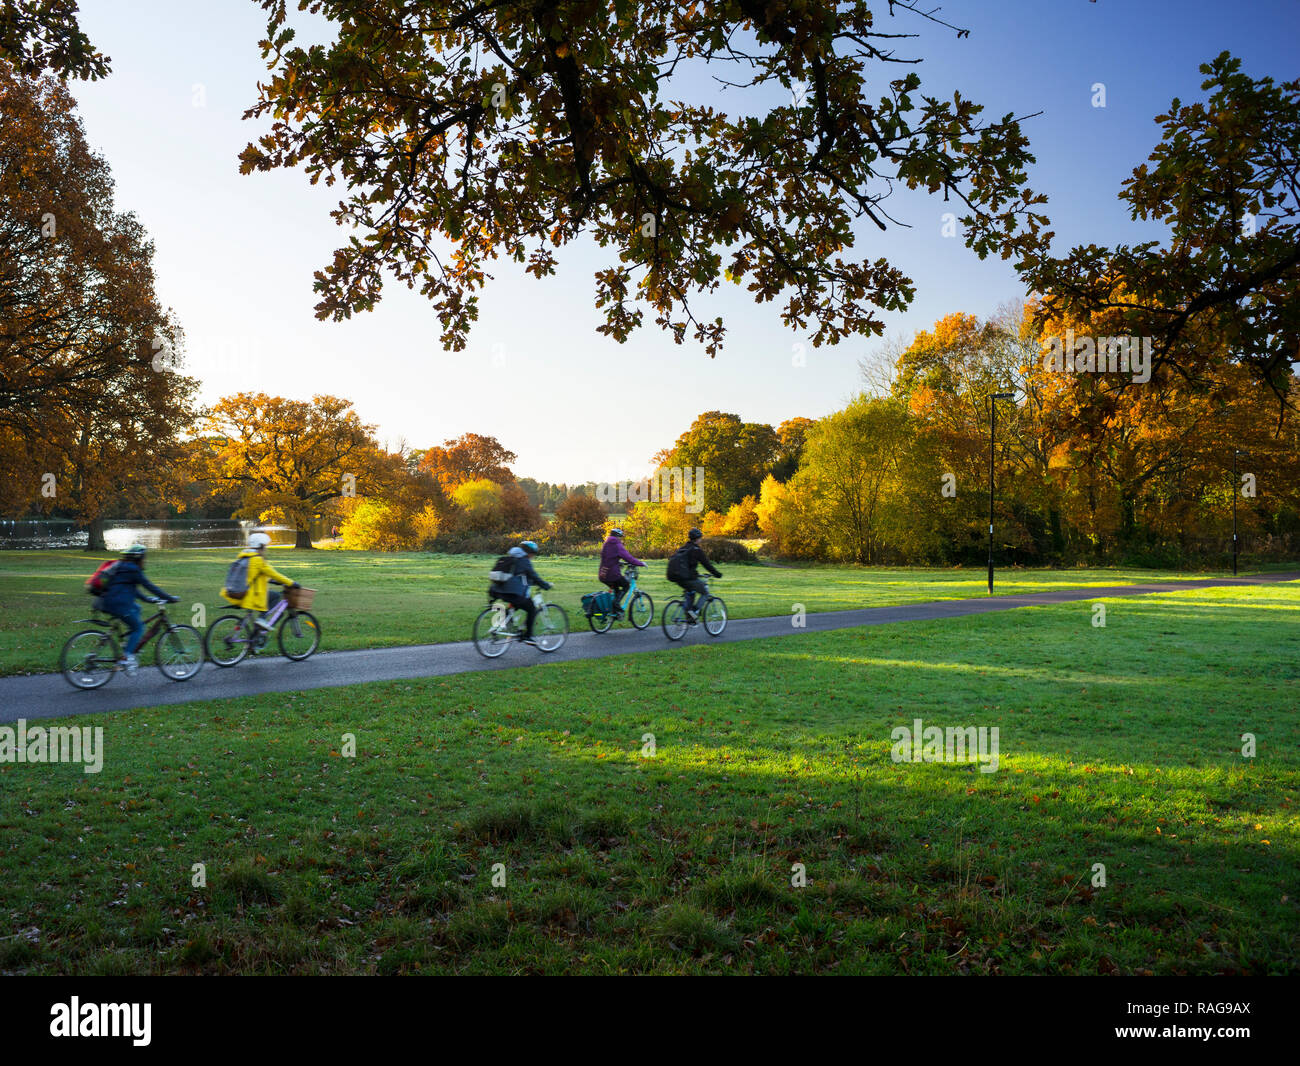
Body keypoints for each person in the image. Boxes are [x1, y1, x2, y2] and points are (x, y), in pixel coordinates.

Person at [97, 544, 178, 675]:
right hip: (119, 604)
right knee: (138, 628)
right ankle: (127, 658)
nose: (145, 561)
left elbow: (133, 590)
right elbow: (149, 586)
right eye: (144, 558)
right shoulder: (133, 569)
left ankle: (131, 645)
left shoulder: (123, 568)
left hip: (110, 601)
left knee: (137, 608)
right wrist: (169, 598)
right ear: (138, 558)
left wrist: (147, 599)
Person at [222, 531, 299, 630]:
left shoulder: (246, 557)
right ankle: (262, 619)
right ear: (261, 546)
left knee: (268, 596)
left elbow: (256, 575)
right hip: (252, 596)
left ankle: (255, 637)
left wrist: (271, 581)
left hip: (237, 592)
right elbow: (274, 574)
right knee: (276, 596)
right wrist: (292, 583)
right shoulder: (258, 560)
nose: (265, 549)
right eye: (265, 547)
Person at [491, 540, 552, 646]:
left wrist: (533, 583)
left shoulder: (511, 558)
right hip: (513, 593)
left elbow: (521, 577)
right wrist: (545, 585)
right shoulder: (524, 560)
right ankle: (528, 636)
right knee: (531, 609)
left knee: (515, 606)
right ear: (529, 552)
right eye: (533, 553)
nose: (533, 556)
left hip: (499, 591)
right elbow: (533, 575)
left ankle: (507, 626)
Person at [666, 527, 721, 622]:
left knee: (691, 591)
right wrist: (717, 574)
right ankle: (694, 613)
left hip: (677, 577)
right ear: (698, 538)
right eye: (700, 538)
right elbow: (707, 565)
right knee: (705, 593)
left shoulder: (683, 548)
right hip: (688, 578)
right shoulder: (696, 550)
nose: (701, 540)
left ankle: (689, 616)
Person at [598, 527, 645, 618]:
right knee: (626, 585)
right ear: (618, 536)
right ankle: (616, 605)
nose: (621, 539)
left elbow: (608, 558)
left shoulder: (606, 543)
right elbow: (628, 558)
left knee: (616, 590)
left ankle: (615, 612)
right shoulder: (617, 545)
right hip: (612, 575)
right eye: (621, 537)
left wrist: (618, 562)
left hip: (602, 575)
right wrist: (641, 563)